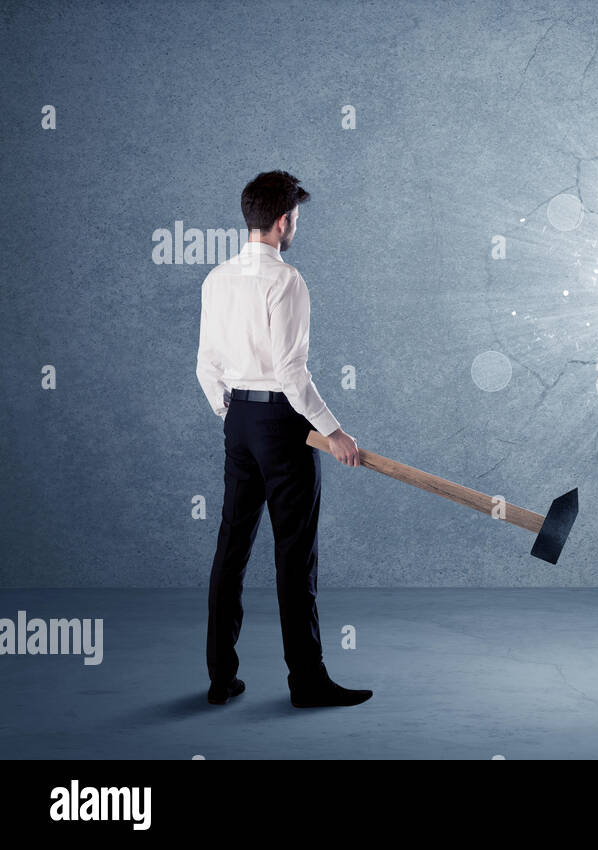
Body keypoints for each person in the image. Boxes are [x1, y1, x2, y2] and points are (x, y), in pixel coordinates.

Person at [196, 170, 371, 708]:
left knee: (232, 548)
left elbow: (205, 368)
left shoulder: (216, 278)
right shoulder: (287, 280)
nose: (296, 228)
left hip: (239, 421)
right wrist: (333, 431)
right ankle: (307, 682)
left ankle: (220, 678)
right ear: (282, 221)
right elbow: (293, 374)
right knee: (295, 555)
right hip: (283, 424)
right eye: (296, 219)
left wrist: (234, 415)